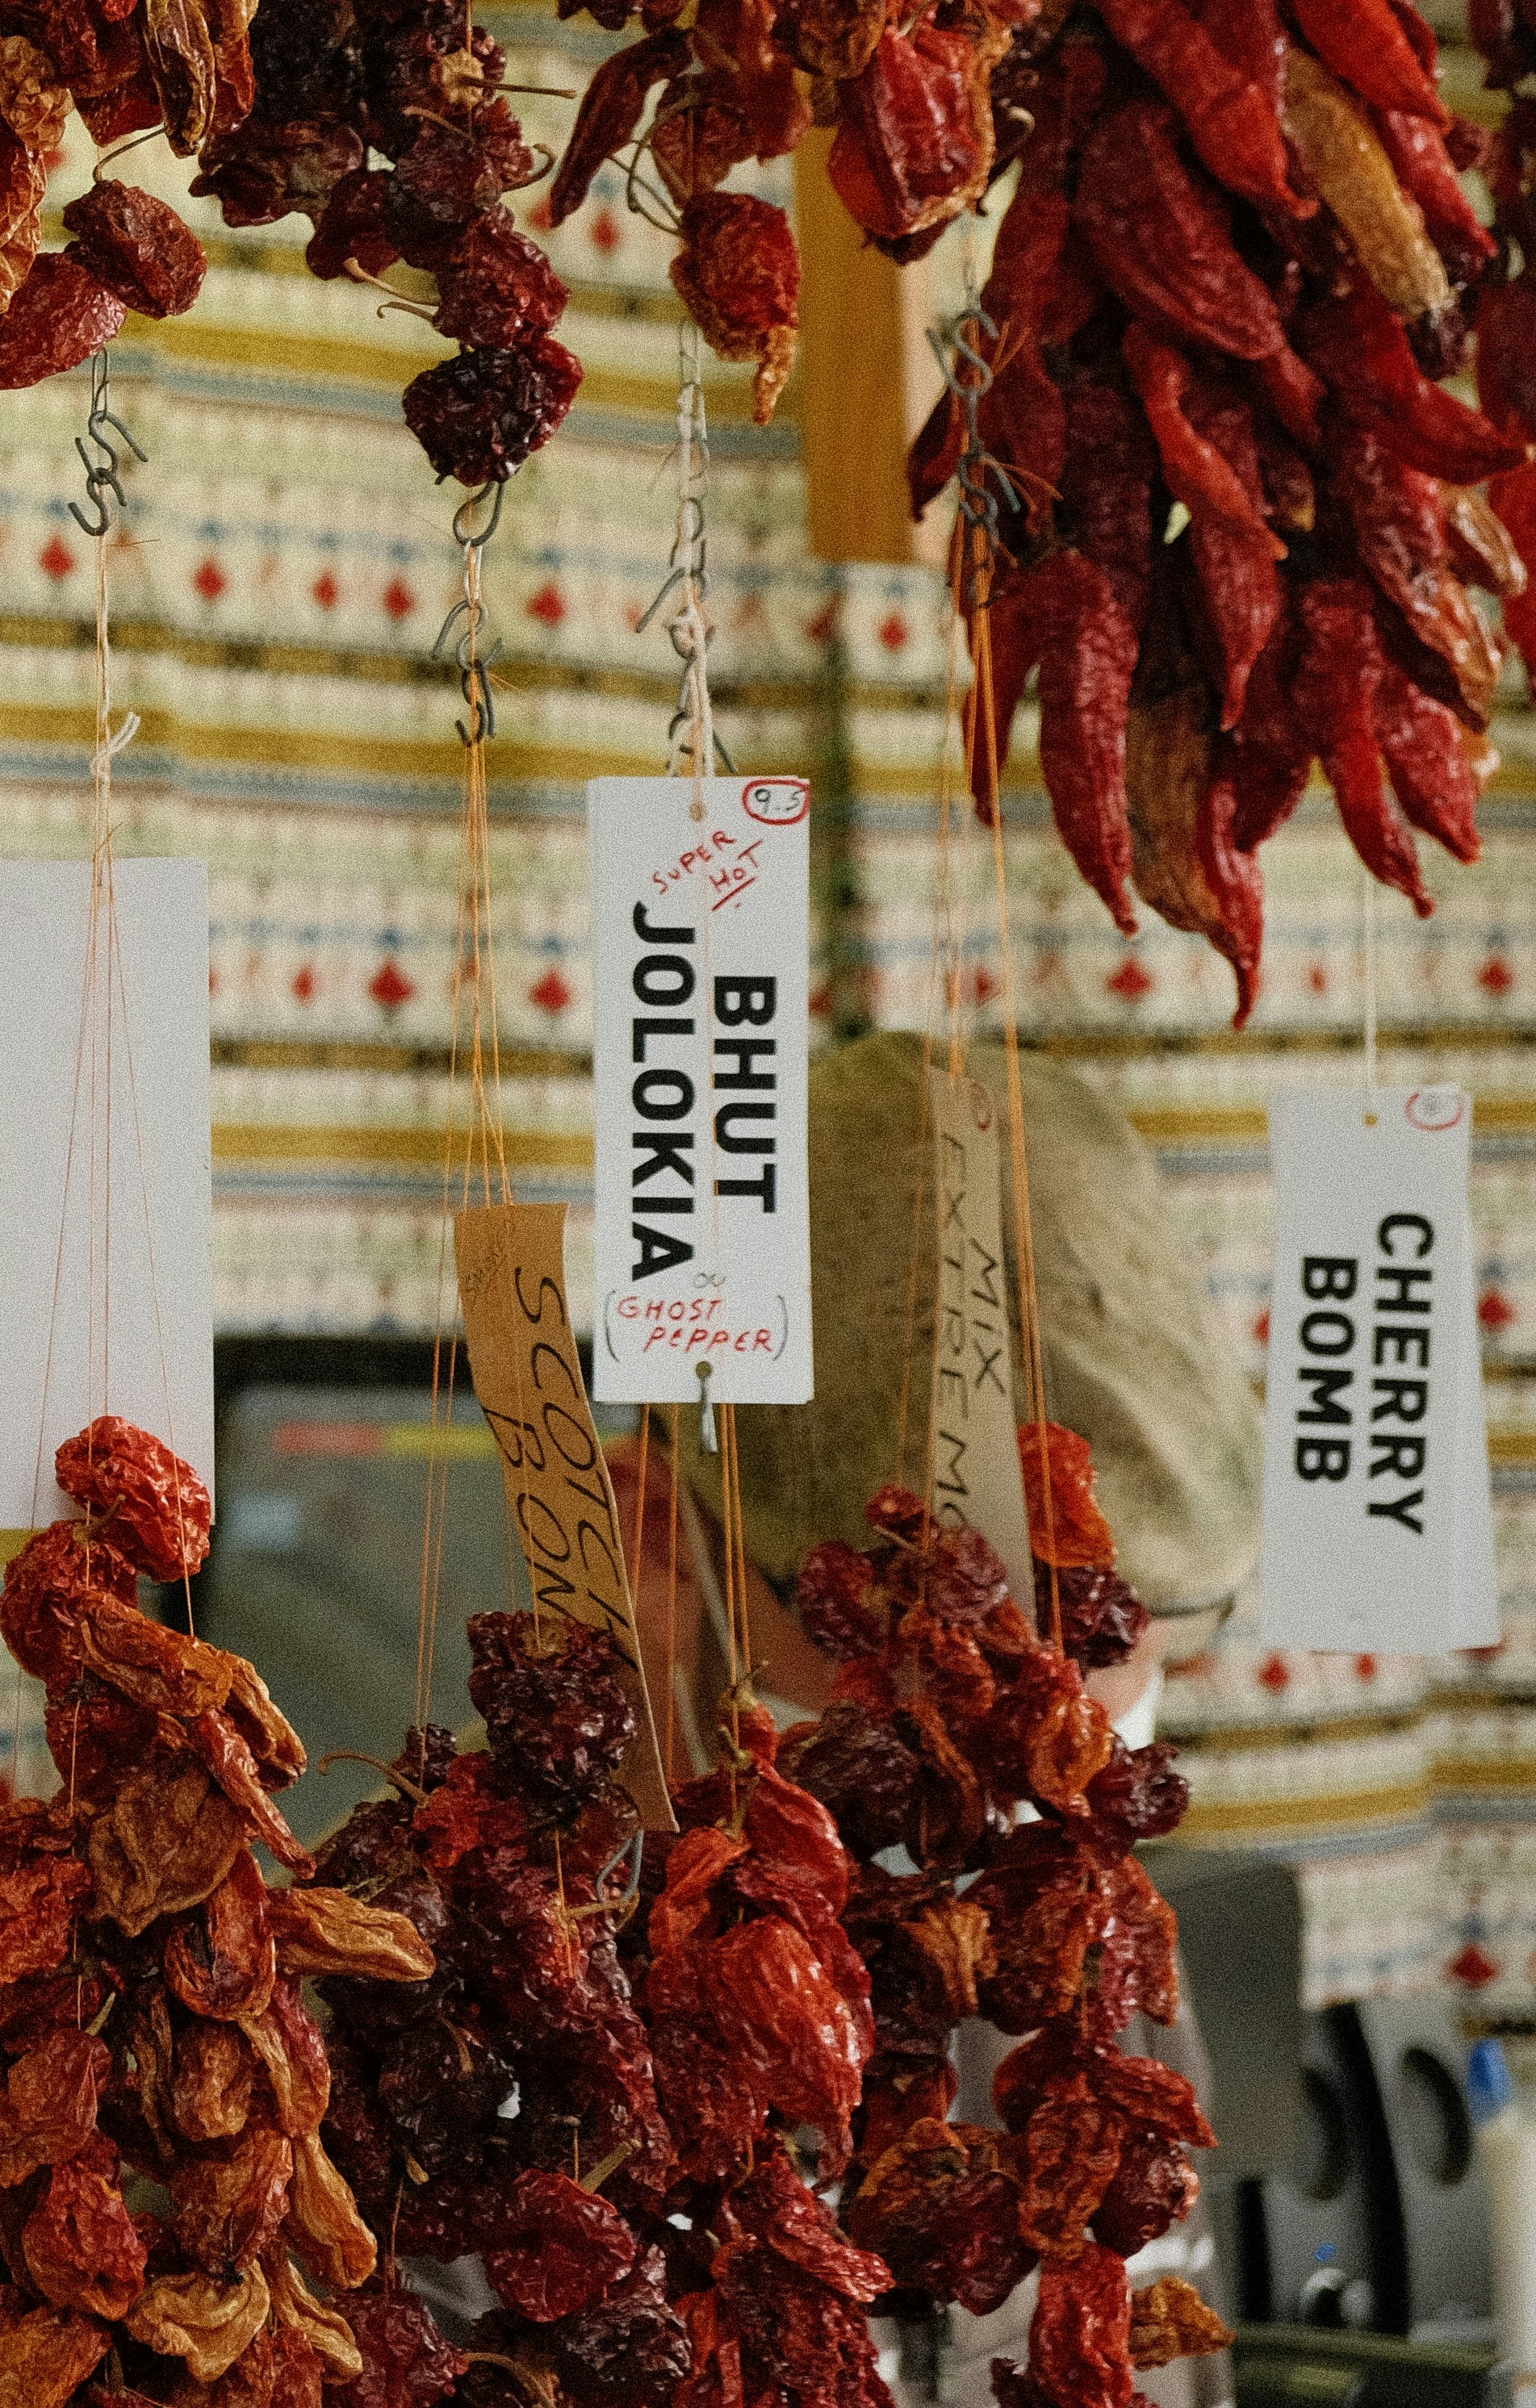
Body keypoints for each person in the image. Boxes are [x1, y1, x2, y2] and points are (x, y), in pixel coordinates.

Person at [606, 1032, 1262, 2408]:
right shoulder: (466, 2035)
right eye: (949, 1671)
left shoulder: (1086, 1946)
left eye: (1116, 1648)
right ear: (655, 1542)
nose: (1050, 1757)